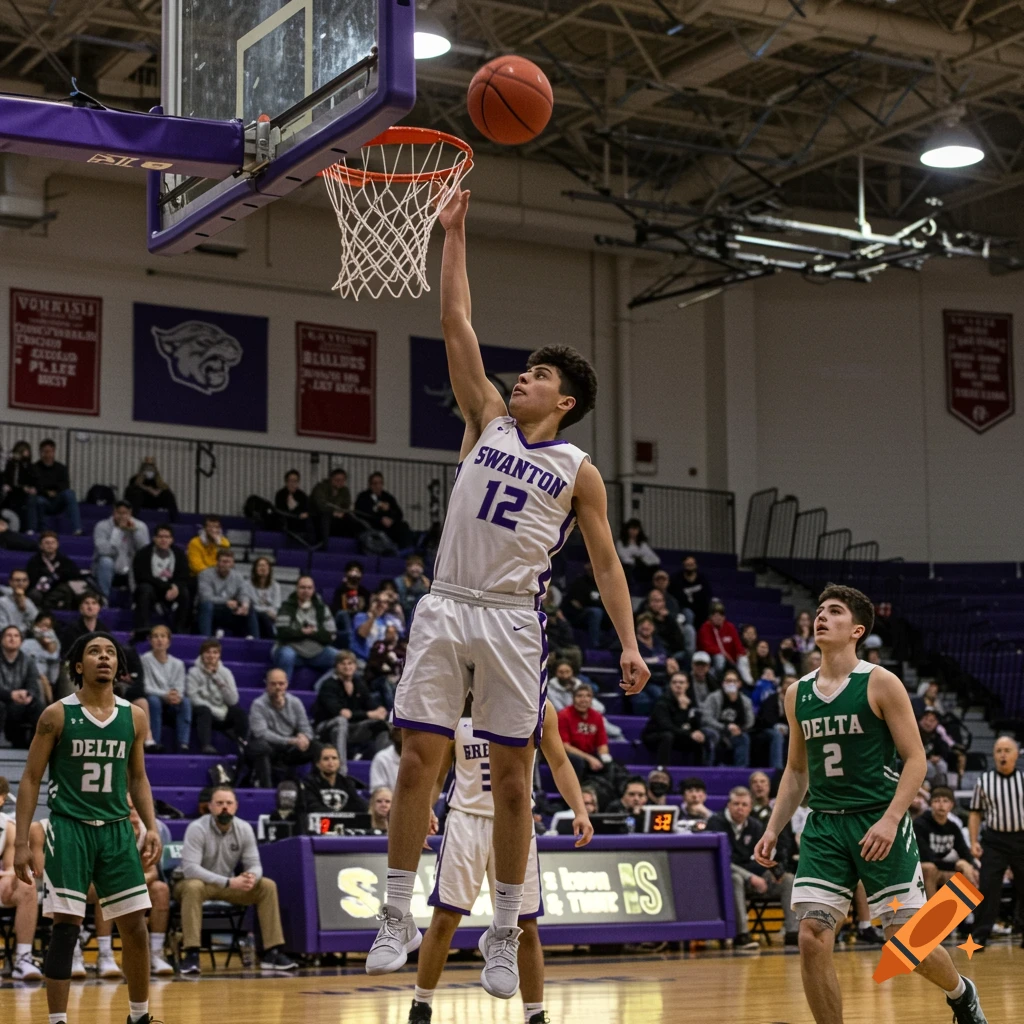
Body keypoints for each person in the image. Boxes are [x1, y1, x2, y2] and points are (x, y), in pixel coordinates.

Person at [367, 185, 648, 999]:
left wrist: (629, 641)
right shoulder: (484, 417)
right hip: (448, 601)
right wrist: (454, 235)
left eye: (539, 376)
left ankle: (502, 930)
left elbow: (605, 564)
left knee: (517, 781)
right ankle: (394, 912)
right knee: (420, 758)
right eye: (523, 371)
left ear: (563, 403)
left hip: (513, 621)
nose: (521, 378)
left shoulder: (578, 470)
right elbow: (457, 323)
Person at [754, 584, 987, 1024]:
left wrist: (891, 819)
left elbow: (916, 759)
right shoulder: (796, 693)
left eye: (835, 612)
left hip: (880, 821)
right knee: (812, 935)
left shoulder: (880, 682)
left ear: (856, 629)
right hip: (825, 825)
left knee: (905, 941)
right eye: (819, 610)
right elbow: (797, 772)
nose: (822, 616)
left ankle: (961, 993)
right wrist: (772, 827)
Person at [406, 698, 593, 1024]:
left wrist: (580, 809)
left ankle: (535, 1014)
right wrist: (425, 809)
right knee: (445, 917)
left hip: (517, 821)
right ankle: (421, 1006)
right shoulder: (456, 703)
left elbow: (559, 761)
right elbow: (438, 772)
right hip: (466, 819)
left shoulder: (538, 704)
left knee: (526, 925)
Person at [12, 631, 162, 1024]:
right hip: (69, 827)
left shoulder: (134, 716)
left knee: (135, 925)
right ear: (79, 665)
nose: (104, 657)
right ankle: (58, 1020)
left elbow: (138, 778)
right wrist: (23, 842)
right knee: (66, 927)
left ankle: (139, 1016)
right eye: (94, 652)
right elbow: (29, 778)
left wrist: (151, 826)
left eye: (110, 652)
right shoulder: (57, 714)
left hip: (116, 829)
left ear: (118, 665)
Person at [175, 785, 297, 974]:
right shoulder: (197, 828)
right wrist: (229, 882)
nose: (225, 807)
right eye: (220, 803)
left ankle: (271, 952)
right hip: (198, 884)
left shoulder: (244, 828)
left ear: (236, 806)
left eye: (229, 803)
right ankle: (191, 954)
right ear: (210, 806)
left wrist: (251, 877)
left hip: (228, 885)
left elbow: (255, 864)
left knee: (266, 885)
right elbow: (191, 870)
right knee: (193, 886)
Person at [88, 797, 174, 978]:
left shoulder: (145, 832)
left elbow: (153, 872)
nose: (133, 812)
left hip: (132, 884)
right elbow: (101, 874)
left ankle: (156, 953)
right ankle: (104, 954)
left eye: (136, 808)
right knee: (106, 891)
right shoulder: (104, 829)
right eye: (128, 808)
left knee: (161, 890)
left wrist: (135, 880)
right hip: (100, 885)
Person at [708, 786, 797, 950]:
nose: (740, 808)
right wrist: (750, 876)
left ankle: (792, 934)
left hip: (753, 874)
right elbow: (721, 860)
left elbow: (759, 857)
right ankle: (742, 935)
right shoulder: (716, 822)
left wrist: (773, 869)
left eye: (744, 804)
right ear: (728, 805)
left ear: (750, 808)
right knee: (735, 879)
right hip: (725, 879)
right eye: (736, 804)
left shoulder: (755, 826)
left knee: (788, 880)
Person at [967, 735, 1024, 946]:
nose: (1002, 754)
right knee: (988, 886)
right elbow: (975, 813)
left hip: (1021, 838)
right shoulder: (984, 781)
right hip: (994, 840)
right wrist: (974, 841)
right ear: (994, 755)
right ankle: (980, 935)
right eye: (999, 751)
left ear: (1016, 755)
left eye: (1007, 750)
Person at [312, 649, 390, 772]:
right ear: (336, 667)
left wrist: (379, 710)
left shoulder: (359, 683)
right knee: (341, 722)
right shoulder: (328, 685)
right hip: (325, 728)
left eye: (350, 663)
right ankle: (341, 770)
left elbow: (370, 704)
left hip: (352, 727)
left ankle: (381, 766)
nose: (347, 667)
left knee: (382, 725)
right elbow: (340, 713)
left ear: (355, 666)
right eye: (343, 664)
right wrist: (369, 714)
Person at [0, 777, 42, 978]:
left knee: (26, 884)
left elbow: (10, 868)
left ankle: (23, 958)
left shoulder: (7, 827)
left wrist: (9, 876)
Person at [248, 669, 315, 788]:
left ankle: (315, 788)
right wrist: (289, 740)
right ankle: (266, 788)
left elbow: (306, 728)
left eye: (281, 684)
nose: (278, 687)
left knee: (318, 748)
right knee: (261, 747)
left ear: (287, 684)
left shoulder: (295, 702)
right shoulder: (258, 704)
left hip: (290, 749)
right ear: (267, 685)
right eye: (273, 684)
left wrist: (304, 736)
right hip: (271, 747)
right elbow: (261, 733)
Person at [185, 639, 249, 756]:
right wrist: (215, 711)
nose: (211, 656)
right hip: (203, 713)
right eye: (208, 652)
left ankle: (243, 743)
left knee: (239, 712)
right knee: (204, 710)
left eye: (215, 652)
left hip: (222, 712)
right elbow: (192, 697)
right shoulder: (193, 672)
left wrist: (220, 682)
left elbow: (233, 700)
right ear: (202, 654)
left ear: (219, 655)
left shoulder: (225, 673)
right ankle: (205, 745)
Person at [915, 786, 978, 898]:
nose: (941, 804)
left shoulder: (953, 827)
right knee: (930, 868)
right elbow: (927, 857)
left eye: (945, 801)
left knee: (971, 872)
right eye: (936, 801)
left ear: (951, 805)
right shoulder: (920, 824)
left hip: (942, 868)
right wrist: (957, 865)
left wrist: (972, 866)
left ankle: (957, 915)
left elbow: (964, 851)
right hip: (919, 869)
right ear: (931, 805)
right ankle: (932, 914)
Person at [272, 575, 339, 681]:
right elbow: (282, 633)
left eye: (309, 588)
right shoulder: (286, 606)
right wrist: (302, 632)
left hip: (317, 653)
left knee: (341, 658)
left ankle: (320, 687)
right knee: (286, 655)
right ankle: (282, 690)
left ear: (313, 590)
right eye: (302, 587)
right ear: (296, 589)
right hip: (292, 650)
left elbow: (331, 635)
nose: (306, 591)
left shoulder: (322, 608)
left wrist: (313, 633)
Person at [132, 523, 192, 638]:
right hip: (153, 589)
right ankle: (143, 628)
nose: (163, 540)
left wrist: (176, 587)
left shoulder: (179, 554)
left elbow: (184, 575)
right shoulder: (143, 553)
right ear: (154, 538)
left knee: (184, 592)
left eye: (167, 537)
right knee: (145, 589)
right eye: (160, 537)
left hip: (171, 590)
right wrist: (167, 586)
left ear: (172, 539)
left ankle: (180, 630)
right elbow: (142, 576)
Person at [141, 625, 191, 754]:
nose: (159, 640)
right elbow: (145, 686)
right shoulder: (144, 659)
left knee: (185, 702)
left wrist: (176, 695)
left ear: (168, 641)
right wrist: (165, 694)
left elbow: (180, 687)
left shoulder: (178, 664)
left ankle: (183, 744)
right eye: (155, 636)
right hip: (155, 701)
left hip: (171, 704)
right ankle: (154, 743)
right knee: (153, 701)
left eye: (163, 636)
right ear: (150, 641)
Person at [642, 671, 708, 766]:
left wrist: (697, 732)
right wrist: (682, 710)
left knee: (700, 738)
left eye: (681, 682)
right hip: (655, 736)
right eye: (674, 682)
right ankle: (662, 768)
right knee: (668, 736)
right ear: (670, 685)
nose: (678, 685)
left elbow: (695, 725)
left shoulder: (691, 702)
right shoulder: (662, 703)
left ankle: (699, 770)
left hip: (678, 735)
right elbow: (667, 726)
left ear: (687, 685)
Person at [91, 501, 150, 598]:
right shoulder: (102, 526)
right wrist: (118, 530)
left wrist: (135, 532)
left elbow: (144, 550)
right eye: (119, 513)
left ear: (130, 513)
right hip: (109, 568)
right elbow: (104, 551)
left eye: (125, 513)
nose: (122, 516)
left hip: (130, 568)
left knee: (141, 563)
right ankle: (103, 598)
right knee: (106, 561)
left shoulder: (140, 526)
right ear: (114, 512)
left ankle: (137, 600)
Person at [196, 548, 258, 638]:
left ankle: (256, 642)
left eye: (228, 562)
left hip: (230, 610)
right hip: (213, 609)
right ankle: (206, 640)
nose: (225, 565)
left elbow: (243, 592)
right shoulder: (205, 574)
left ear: (232, 564)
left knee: (249, 607)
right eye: (223, 561)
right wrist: (226, 601)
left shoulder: (238, 576)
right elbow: (205, 597)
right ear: (217, 562)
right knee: (207, 605)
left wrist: (245, 604)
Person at [0, 625, 44, 747]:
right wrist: (10, 695)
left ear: (21, 640)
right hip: (3, 699)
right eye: (8, 635)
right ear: (1, 639)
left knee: (38, 706)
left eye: (16, 636)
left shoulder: (28, 660)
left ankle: (39, 744)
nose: (12, 639)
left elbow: (33, 683)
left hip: (21, 699)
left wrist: (28, 694)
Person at [557, 683, 612, 781]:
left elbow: (602, 744)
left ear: (592, 700)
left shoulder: (597, 717)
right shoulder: (564, 715)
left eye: (588, 696)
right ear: (573, 698)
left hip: (589, 754)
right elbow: (565, 746)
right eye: (579, 696)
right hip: (568, 755)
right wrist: (589, 759)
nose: (584, 699)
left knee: (611, 765)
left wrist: (604, 758)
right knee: (578, 761)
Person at [298, 744, 367, 822]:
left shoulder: (347, 782)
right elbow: (314, 808)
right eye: (326, 759)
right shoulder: (309, 783)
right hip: (320, 825)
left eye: (334, 758)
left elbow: (360, 805)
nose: (331, 762)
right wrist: (341, 817)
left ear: (339, 762)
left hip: (345, 826)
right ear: (317, 764)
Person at [26, 439, 82, 535]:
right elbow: (36, 486)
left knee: (70, 493)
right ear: (40, 452)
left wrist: (54, 491)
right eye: (45, 452)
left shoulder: (61, 468)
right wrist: (47, 492)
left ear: (54, 452)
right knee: (37, 499)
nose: (47, 455)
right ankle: (37, 530)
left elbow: (65, 484)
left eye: (50, 451)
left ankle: (77, 528)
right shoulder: (34, 468)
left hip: (58, 500)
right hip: (42, 499)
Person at [701, 668, 754, 766]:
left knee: (744, 738)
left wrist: (740, 729)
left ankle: (740, 771)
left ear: (739, 684)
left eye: (734, 681)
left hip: (736, 732)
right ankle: (710, 768)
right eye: (728, 681)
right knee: (713, 736)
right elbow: (706, 718)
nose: (731, 684)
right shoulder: (713, 697)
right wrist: (725, 727)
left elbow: (750, 721)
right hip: (716, 730)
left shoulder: (746, 701)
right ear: (723, 683)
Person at [26, 532, 83, 609]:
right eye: (47, 543)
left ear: (57, 545)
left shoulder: (65, 561)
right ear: (40, 546)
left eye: (53, 542)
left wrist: (57, 576)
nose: (50, 545)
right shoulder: (34, 562)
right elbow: (32, 580)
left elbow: (74, 574)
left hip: (59, 591)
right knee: (34, 594)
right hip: (42, 591)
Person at [356, 472, 411, 548]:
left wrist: (390, 513)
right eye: (375, 483)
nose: (378, 486)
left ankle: (406, 551)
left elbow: (399, 513)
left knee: (403, 526)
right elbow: (361, 513)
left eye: (380, 483)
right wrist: (380, 519)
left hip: (389, 526)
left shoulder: (388, 497)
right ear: (370, 485)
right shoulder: (363, 497)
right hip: (373, 525)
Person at [352, 587, 405, 660]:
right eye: (378, 601)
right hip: (364, 659)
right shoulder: (361, 617)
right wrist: (373, 616)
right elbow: (362, 634)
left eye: (385, 602)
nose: (381, 605)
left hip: (383, 659)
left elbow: (402, 637)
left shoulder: (390, 619)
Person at [310, 467, 361, 541]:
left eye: (342, 480)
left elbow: (346, 505)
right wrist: (333, 512)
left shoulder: (345, 491)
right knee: (326, 518)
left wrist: (342, 512)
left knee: (353, 520)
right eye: (337, 480)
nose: (340, 482)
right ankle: (324, 544)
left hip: (338, 515)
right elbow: (320, 505)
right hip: (319, 515)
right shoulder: (320, 487)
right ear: (331, 479)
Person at [564, 562, 605, 650]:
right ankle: (595, 643)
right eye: (591, 570)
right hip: (580, 614)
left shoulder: (604, 584)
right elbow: (575, 602)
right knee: (596, 612)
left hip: (601, 613)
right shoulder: (580, 582)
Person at [697, 601, 744, 675]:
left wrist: (741, 653)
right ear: (711, 617)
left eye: (721, 615)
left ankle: (747, 682)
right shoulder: (705, 627)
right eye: (715, 615)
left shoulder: (730, 627)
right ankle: (715, 679)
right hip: (711, 658)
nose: (718, 618)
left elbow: (737, 643)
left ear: (724, 617)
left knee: (743, 658)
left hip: (730, 659)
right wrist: (723, 653)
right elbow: (707, 646)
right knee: (719, 658)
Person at [21, 611, 60, 700]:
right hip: (28, 677)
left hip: (48, 679)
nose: (44, 629)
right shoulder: (25, 640)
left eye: (48, 627)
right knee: (40, 682)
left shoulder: (54, 641)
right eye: (42, 625)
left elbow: (53, 656)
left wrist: (47, 641)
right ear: (35, 624)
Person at [668, 553, 712, 629]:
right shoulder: (676, 579)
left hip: (701, 609)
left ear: (696, 565)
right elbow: (672, 596)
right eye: (688, 565)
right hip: (683, 609)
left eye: (692, 564)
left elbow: (708, 595)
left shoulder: (702, 578)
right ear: (684, 565)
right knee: (689, 613)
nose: (690, 567)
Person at [615, 518, 660, 585]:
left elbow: (654, 558)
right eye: (631, 529)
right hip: (629, 567)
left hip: (642, 566)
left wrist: (643, 560)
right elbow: (623, 557)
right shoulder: (620, 543)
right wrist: (635, 560)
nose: (633, 531)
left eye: (636, 529)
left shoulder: (642, 544)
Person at [2, 440, 36, 529]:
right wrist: (5, 484)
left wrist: (31, 488)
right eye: (19, 452)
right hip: (12, 493)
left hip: (24, 494)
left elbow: (33, 481)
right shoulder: (11, 464)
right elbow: (7, 478)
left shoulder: (30, 466)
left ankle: (30, 529)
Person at [248, 557, 281, 640]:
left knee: (266, 619)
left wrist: (269, 612)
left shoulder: (276, 586)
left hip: (270, 618)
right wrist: (266, 611)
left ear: (269, 569)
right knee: (260, 616)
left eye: (266, 565)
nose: (263, 568)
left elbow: (276, 606)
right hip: (253, 617)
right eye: (260, 565)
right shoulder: (247, 585)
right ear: (255, 569)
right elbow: (249, 606)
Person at [394, 555, 430, 623]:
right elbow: (402, 602)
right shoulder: (399, 581)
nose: (416, 569)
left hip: (419, 612)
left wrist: (427, 588)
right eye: (413, 565)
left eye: (419, 566)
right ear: (407, 568)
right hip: (404, 611)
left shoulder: (425, 582)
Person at [274, 469, 311, 533]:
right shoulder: (280, 494)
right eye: (290, 481)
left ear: (298, 482)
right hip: (286, 520)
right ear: (286, 482)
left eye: (295, 481)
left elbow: (306, 509)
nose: (293, 483)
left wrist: (297, 509)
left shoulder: (302, 495)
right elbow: (280, 510)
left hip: (300, 521)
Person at [371, 727, 402, 792]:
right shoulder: (382, 758)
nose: (397, 730)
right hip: (392, 801)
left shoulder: (423, 757)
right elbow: (378, 792)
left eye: (400, 729)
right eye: (396, 729)